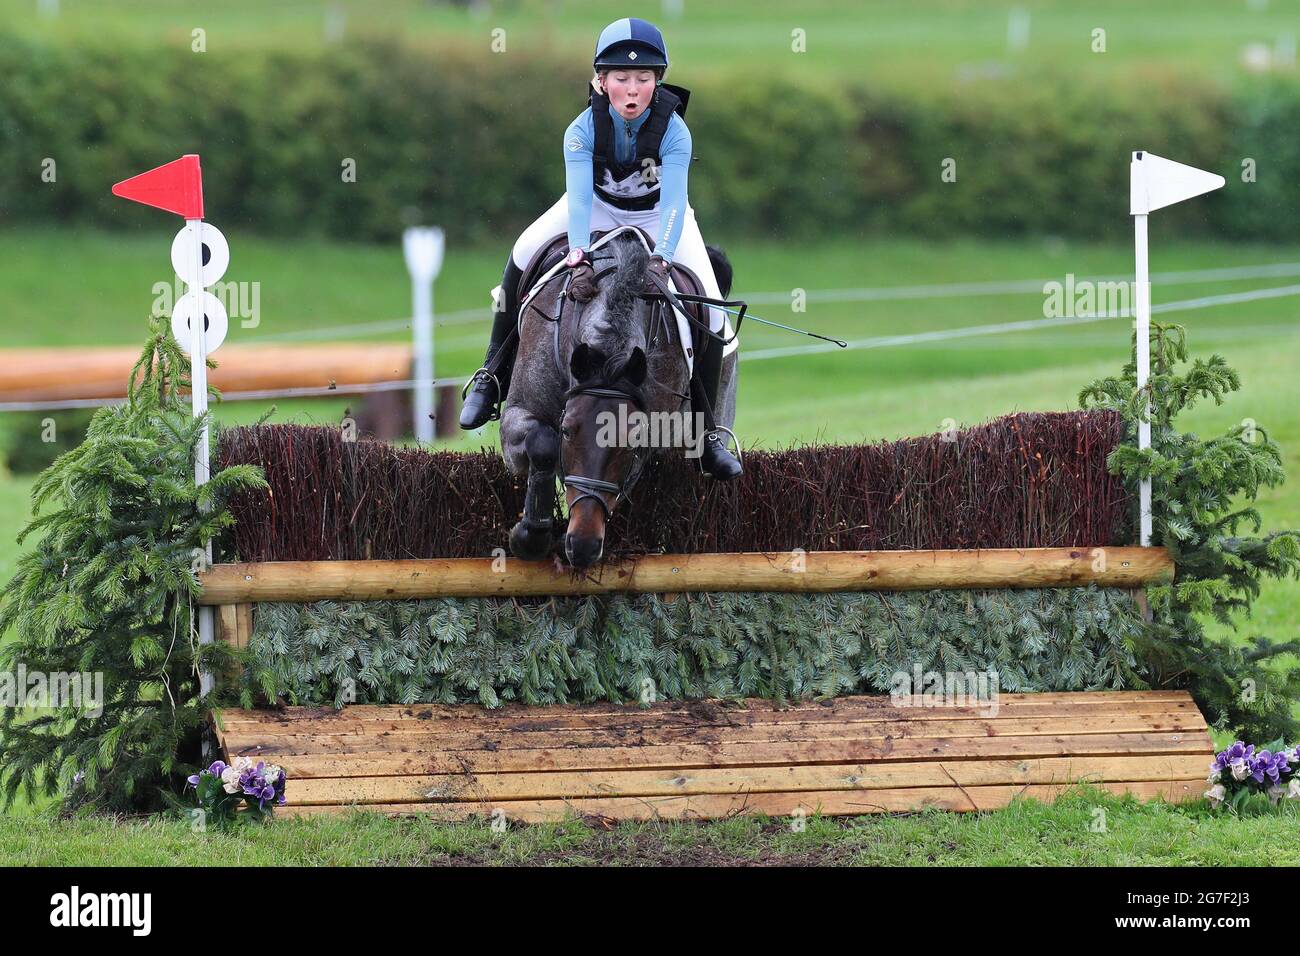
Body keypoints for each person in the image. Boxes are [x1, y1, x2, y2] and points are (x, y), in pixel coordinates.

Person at [458, 16, 742, 480]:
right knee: (523, 251)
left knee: (711, 308)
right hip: (595, 208)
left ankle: (708, 433)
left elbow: (671, 205)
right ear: (602, 80)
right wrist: (578, 254)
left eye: (644, 79)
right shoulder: (581, 129)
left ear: (657, 81)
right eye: (622, 79)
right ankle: (490, 377)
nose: (633, 90)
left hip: (659, 215)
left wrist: (661, 259)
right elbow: (579, 199)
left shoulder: (674, 132)